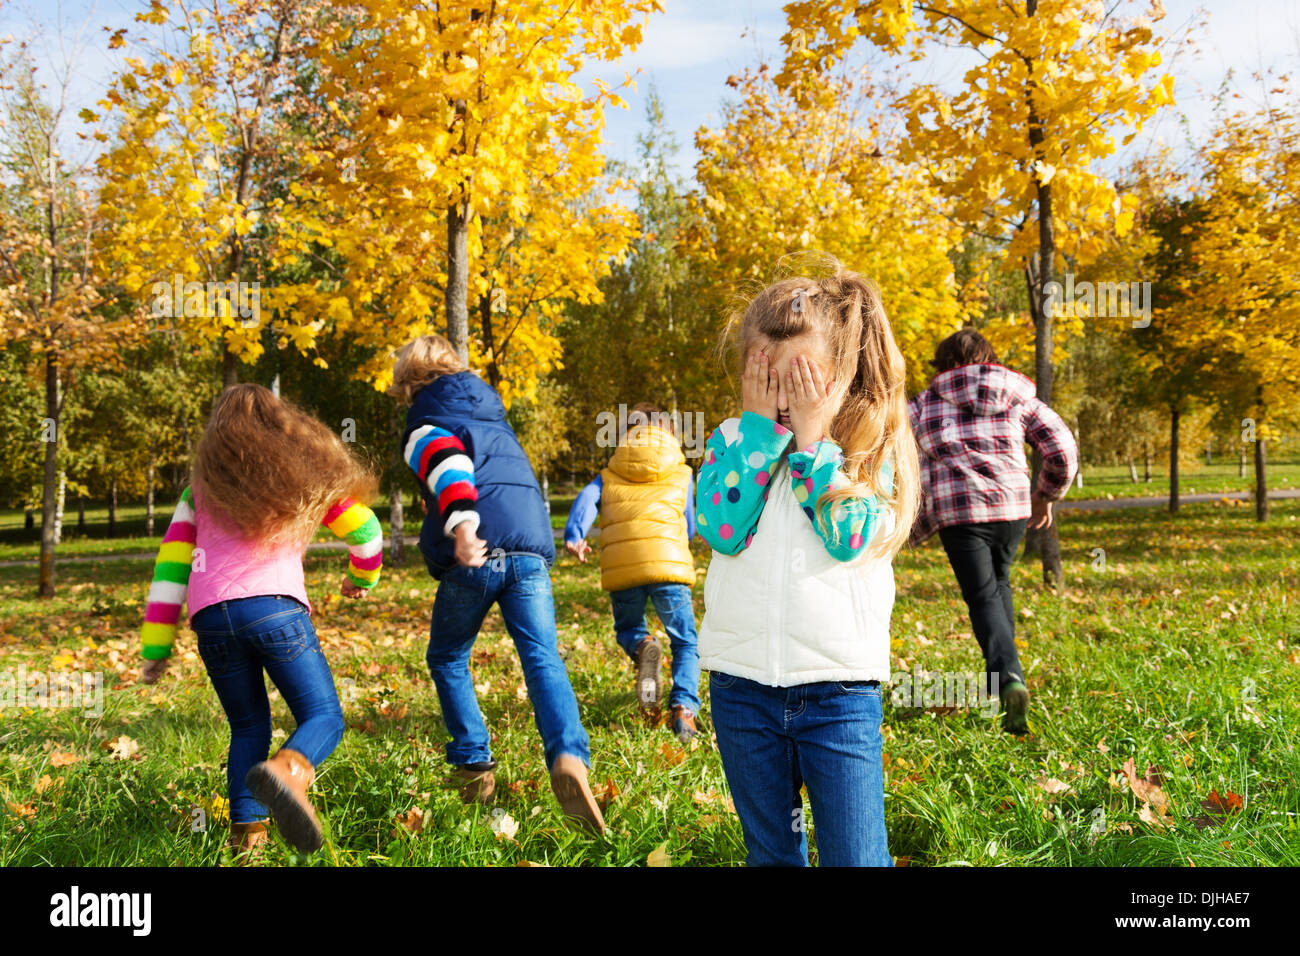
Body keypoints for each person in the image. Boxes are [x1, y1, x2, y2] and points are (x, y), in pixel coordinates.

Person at [696, 267, 919, 867]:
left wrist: (817, 444)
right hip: (741, 688)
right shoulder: (733, 442)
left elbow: (849, 539)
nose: (784, 399)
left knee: (855, 855)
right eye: (768, 379)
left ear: (840, 378)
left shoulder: (870, 451)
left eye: (800, 381)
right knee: (770, 852)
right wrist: (755, 436)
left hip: (838, 691)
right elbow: (720, 529)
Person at [139, 384, 383, 857]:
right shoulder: (298, 477)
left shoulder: (197, 493)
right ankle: (289, 770)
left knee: (248, 727)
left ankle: (247, 841)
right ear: (280, 427)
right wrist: (360, 579)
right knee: (323, 716)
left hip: (211, 621)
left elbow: (168, 572)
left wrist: (154, 649)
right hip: (275, 610)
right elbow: (368, 532)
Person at [389, 334, 604, 835]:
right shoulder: (494, 418)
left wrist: (463, 529)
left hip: (478, 552)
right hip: (530, 551)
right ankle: (570, 757)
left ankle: (473, 764)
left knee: (446, 656)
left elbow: (449, 465)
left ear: (409, 380)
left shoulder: (427, 417)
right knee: (542, 656)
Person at [908, 328, 1078, 734]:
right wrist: (1046, 495)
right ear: (990, 358)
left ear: (943, 364)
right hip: (1011, 510)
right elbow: (1061, 448)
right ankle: (1001, 682)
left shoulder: (920, 406)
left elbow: (894, 455)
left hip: (960, 513)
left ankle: (1007, 678)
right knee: (999, 584)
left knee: (983, 595)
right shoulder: (1017, 396)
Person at [564, 402, 702, 742]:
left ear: (627, 435)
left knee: (629, 628)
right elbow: (690, 526)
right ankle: (684, 709)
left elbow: (585, 500)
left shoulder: (609, 474)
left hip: (624, 567)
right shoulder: (682, 474)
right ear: (668, 433)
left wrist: (575, 536)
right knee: (685, 641)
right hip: (668, 567)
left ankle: (642, 646)